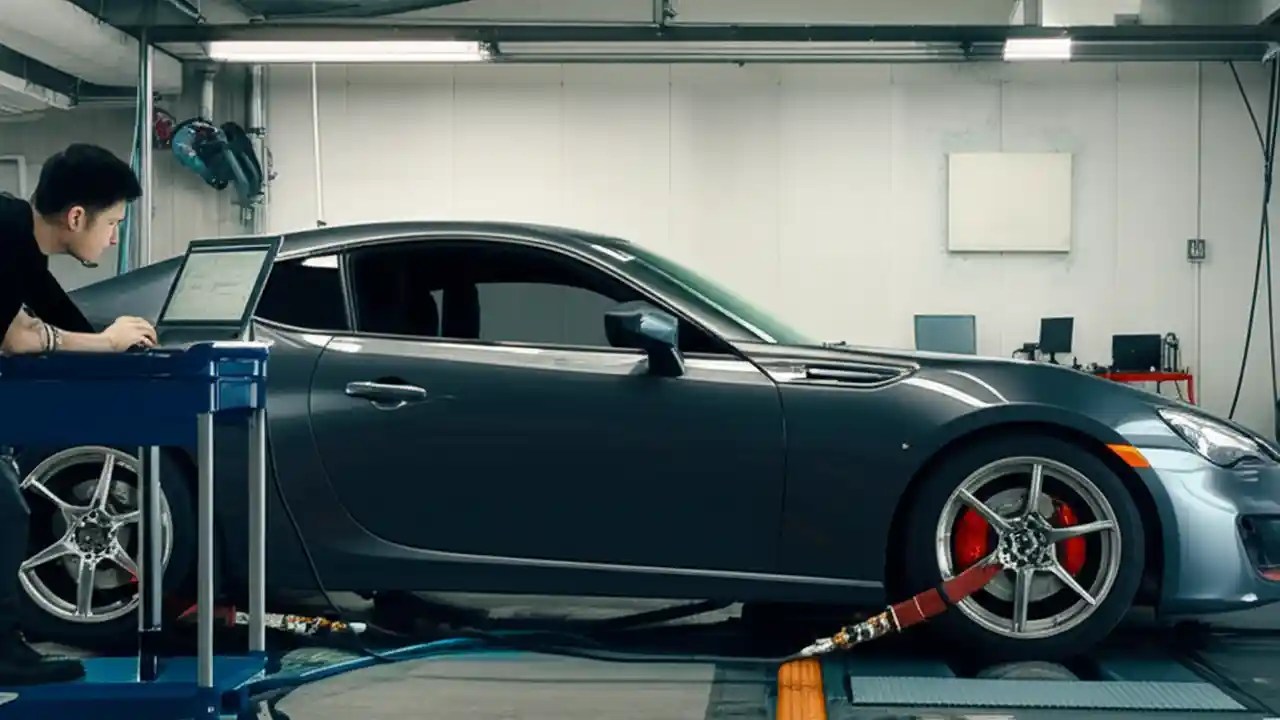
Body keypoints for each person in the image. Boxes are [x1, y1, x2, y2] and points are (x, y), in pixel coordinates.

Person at [0, 143, 159, 684]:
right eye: (112, 223)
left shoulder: (19, 237)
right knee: (5, 510)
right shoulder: (5, 235)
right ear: (75, 218)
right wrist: (106, 345)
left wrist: (117, 348)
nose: (113, 238)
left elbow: (51, 315)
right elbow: (15, 338)